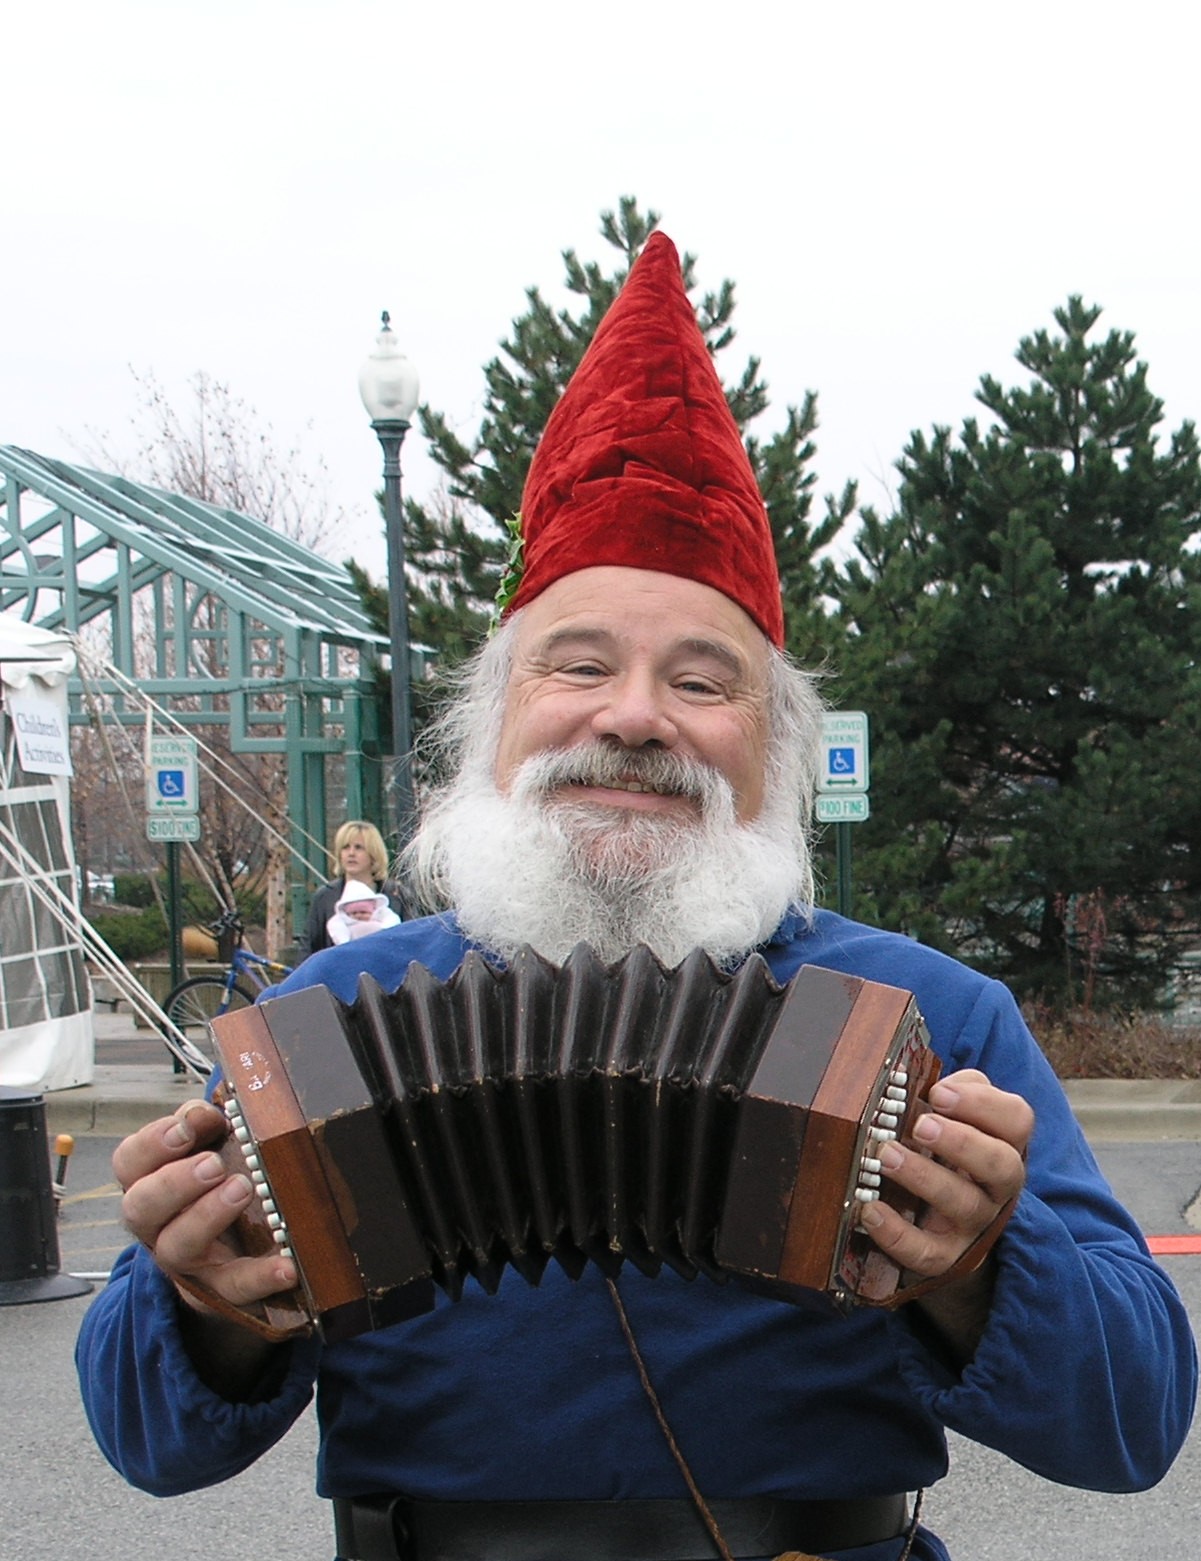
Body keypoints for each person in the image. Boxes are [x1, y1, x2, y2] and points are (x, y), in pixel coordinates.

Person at [76, 234, 1195, 1561]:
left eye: (704, 681)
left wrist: (975, 1272)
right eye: (576, 664)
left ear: (773, 748)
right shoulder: (331, 1017)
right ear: (493, 723)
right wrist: (205, 1301)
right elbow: (146, 1437)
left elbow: (1133, 1422)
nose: (633, 716)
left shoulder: (929, 1018)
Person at [298, 819, 407, 957]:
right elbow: (308, 948)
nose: (351, 853)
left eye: (359, 847)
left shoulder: (396, 894)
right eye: (345, 847)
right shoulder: (325, 896)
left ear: (373, 853)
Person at [326, 879, 402, 945]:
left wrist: (386, 929)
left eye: (363, 912)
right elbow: (336, 926)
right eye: (354, 913)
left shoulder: (380, 914)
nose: (358, 915)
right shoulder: (343, 920)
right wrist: (344, 941)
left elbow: (392, 919)